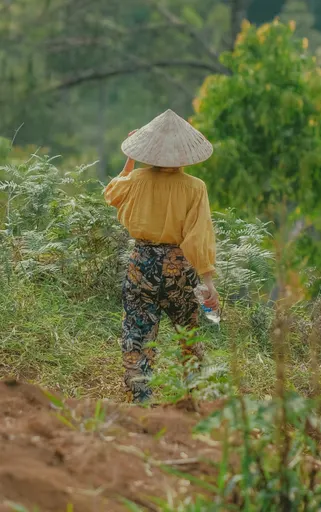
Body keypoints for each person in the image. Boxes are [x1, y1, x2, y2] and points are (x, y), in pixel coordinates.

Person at [104, 109, 220, 403]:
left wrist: (130, 160)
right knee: (189, 332)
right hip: (180, 267)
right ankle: (192, 395)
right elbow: (199, 237)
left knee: (137, 329)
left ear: (148, 151)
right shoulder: (195, 188)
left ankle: (141, 396)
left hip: (141, 265)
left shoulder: (137, 179)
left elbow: (111, 194)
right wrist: (208, 282)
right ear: (185, 154)